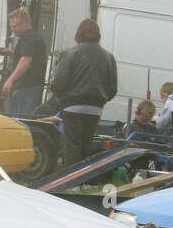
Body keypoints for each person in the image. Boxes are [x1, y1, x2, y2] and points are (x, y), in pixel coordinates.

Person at [37, 18, 117, 166]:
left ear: (79, 34)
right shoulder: (108, 57)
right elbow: (112, 88)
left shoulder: (70, 53)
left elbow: (59, 82)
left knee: (71, 146)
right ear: (98, 35)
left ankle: (71, 180)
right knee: (86, 146)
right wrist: (100, 100)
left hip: (72, 106)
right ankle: (83, 180)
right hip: (95, 108)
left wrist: (62, 98)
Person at [0, 8, 47, 116]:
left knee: (19, 120)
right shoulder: (34, 36)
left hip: (26, 87)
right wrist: (11, 53)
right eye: (11, 27)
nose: (12, 29)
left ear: (25, 24)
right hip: (32, 87)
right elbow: (27, 58)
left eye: (14, 26)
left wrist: (10, 80)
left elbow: (26, 59)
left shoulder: (27, 38)